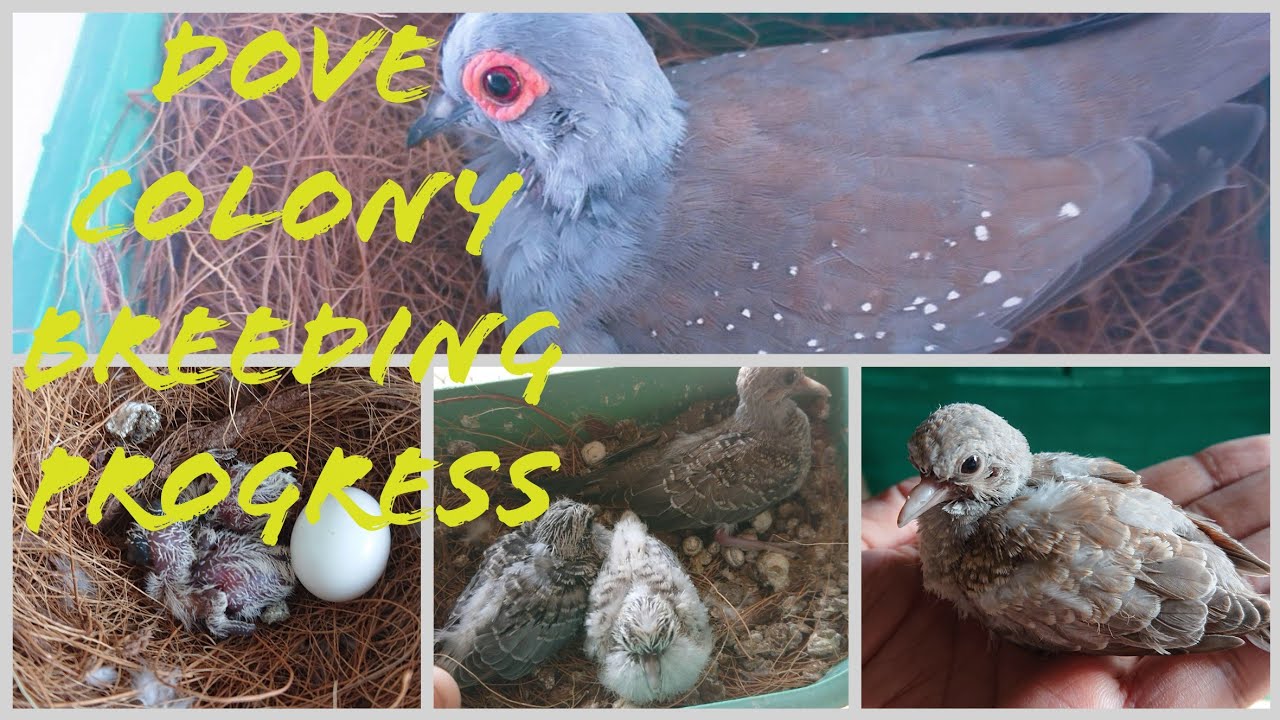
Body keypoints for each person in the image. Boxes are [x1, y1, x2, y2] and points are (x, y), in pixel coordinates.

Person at [862, 436, 1271, 708]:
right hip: (1169, 561)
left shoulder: (985, 556)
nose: (925, 492)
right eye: (923, 471)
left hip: (1175, 591)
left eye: (967, 466)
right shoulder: (1055, 466)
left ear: (998, 462)